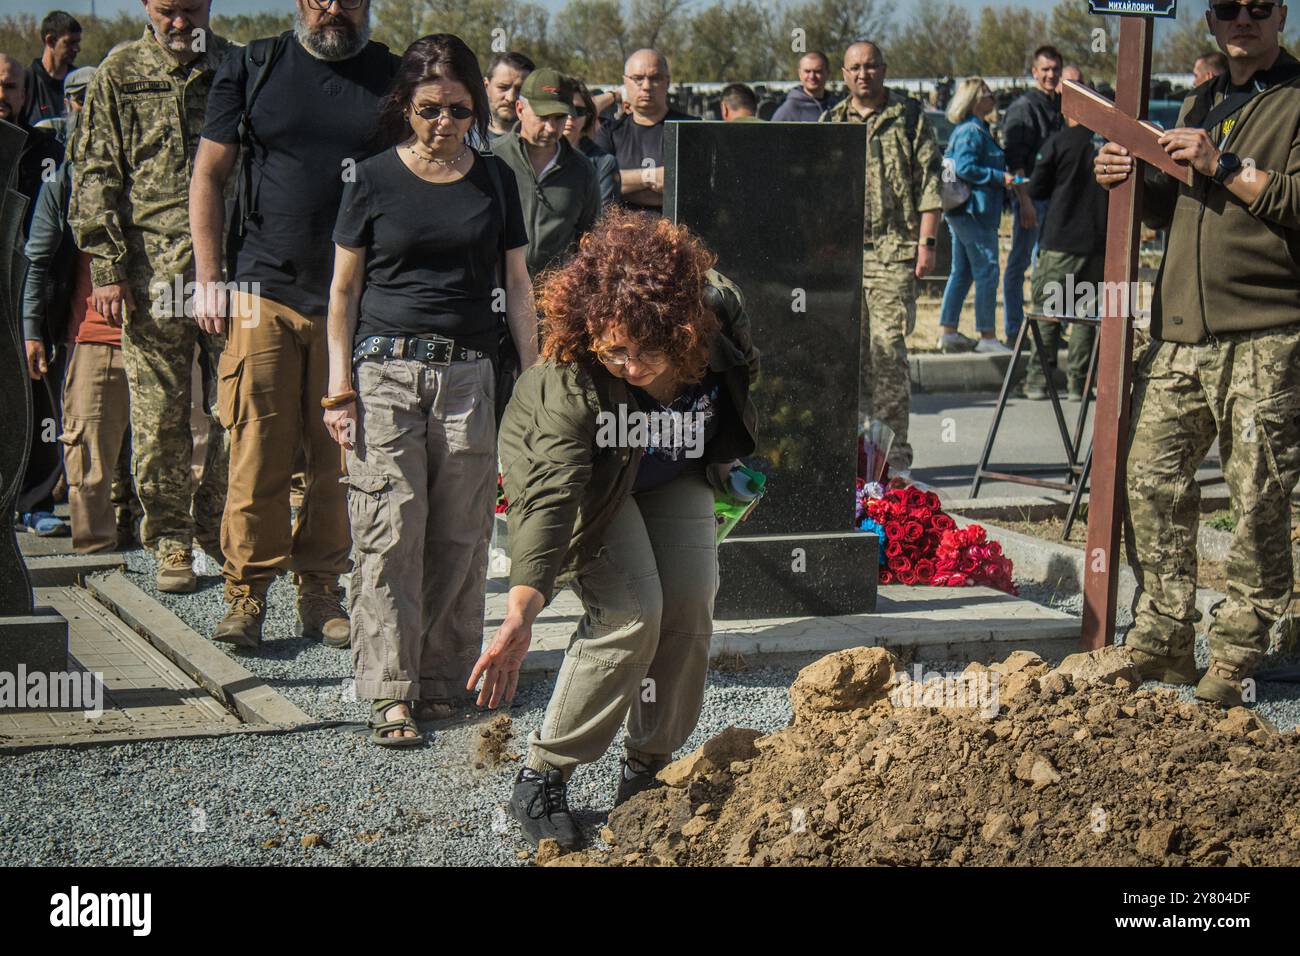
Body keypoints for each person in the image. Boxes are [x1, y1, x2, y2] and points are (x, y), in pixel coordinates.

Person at [470, 210, 759, 849]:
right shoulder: (570, 378)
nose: (628, 366)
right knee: (630, 614)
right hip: (589, 477)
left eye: (645, 351)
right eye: (614, 350)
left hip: (670, 470)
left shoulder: (719, 313)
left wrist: (726, 453)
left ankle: (647, 769)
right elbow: (548, 497)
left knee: (687, 607)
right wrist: (522, 607)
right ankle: (543, 774)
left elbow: (742, 374)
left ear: (684, 331)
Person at [324, 33, 539, 745]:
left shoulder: (496, 180)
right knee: (390, 531)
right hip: (384, 372)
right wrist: (337, 389)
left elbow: (517, 284)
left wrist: (534, 381)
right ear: (404, 107)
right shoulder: (372, 178)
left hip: (470, 375)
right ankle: (390, 690)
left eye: (457, 109)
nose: (443, 124)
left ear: (476, 106)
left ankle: (442, 679)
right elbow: (344, 290)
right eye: (427, 110)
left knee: (460, 533)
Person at [1095, 0, 1300, 708]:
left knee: (1257, 498)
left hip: (1267, 329)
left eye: (1259, 7)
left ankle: (1242, 651)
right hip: (1180, 329)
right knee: (1150, 480)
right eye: (1227, 9)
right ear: (1212, 22)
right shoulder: (1202, 99)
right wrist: (1129, 176)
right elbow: (1179, 204)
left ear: (1281, 17)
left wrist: (1228, 163)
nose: (1243, 18)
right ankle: (1164, 637)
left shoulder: (1297, 99)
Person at [190, 0, 399, 651]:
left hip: (353, 304)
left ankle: (321, 593)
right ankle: (246, 596)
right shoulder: (254, 66)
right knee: (258, 454)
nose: (333, 8)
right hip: (261, 292)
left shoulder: (392, 75)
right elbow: (209, 173)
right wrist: (206, 276)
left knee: (339, 458)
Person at [67, 0, 233, 593]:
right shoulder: (120, 71)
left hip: (227, 276)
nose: (181, 23)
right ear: (146, 6)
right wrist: (107, 267)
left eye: (191, 9)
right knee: (159, 412)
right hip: (150, 276)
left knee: (232, 410)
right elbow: (94, 172)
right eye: (168, 10)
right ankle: (169, 538)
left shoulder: (233, 68)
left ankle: (217, 526)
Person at [23, 67, 141, 554]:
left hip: (159, 334)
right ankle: (95, 552)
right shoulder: (65, 181)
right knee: (87, 450)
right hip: (91, 334)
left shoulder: (159, 172)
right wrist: (31, 330)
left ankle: (157, 548)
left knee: (164, 454)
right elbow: (37, 261)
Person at [820, 40, 942, 477]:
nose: (863, 75)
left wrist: (926, 245)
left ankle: (895, 459)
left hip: (894, 253)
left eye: (871, 67)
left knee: (887, 351)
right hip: (842, 256)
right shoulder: (831, 120)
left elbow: (930, 184)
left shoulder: (908, 118)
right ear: (844, 74)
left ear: (883, 70)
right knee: (849, 357)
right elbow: (815, 189)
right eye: (854, 68)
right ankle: (857, 458)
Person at [3, 51, 67, 537]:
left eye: (10, 87)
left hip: (32, 290)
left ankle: (35, 499)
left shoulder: (46, 149)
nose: (2, 96)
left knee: (37, 399)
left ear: (26, 93)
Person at [1024, 66, 1104, 401]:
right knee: (1086, 315)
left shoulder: (1058, 143)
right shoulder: (1107, 145)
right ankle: (1079, 383)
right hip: (1097, 243)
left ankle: (1039, 381)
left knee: (1048, 312)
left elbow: (1037, 189)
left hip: (1060, 242)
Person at [493, 68, 600, 279]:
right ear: (520, 109)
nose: (551, 128)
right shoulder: (492, 158)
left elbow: (590, 239)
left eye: (559, 118)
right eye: (542, 117)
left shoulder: (583, 169)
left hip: (554, 300)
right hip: (496, 292)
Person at [937, 78, 1012, 354]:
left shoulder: (972, 129)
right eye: (989, 94)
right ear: (976, 99)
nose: (993, 99)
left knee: (963, 271)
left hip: (964, 211)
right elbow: (966, 167)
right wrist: (999, 177)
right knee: (988, 268)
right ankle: (987, 336)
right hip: (974, 211)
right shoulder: (972, 132)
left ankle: (949, 331)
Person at [1002, 44, 1063, 344]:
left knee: (1049, 266)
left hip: (1056, 199)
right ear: (1034, 72)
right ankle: (1014, 330)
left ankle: (1047, 330)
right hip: (1031, 198)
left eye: (1055, 69)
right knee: (1020, 262)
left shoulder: (1060, 105)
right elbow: (1014, 160)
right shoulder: (1023, 107)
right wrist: (1024, 201)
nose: (1050, 75)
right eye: (1045, 69)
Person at [593, 48, 698, 210]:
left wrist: (623, 186)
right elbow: (596, 184)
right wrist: (649, 177)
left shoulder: (691, 128)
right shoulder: (609, 132)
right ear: (625, 82)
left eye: (655, 78)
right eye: (638, 79)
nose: (647, 86)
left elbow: (695, 187)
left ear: (668, 82)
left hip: (678, 231)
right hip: (620, 231)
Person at [562, 76, 619, 208]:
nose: (570, 116)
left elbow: (604, 218)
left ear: (588, 116)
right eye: (564, 108)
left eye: (578, 111)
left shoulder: (604, 162)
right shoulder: (536, 155)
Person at [23, 10, 81, 128]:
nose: (77, 49)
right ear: (50, 40)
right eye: (70, 42)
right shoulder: (25, 82)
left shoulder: (80, 83)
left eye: (78, 42)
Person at [33, 65, 94, 145]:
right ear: (67, 103)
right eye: (82, 100)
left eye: (95, 100)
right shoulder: (49, 131)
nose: (88, 108)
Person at [771, 51, 839, 121]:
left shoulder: (837, 107)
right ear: (800, 74)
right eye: (807, 71)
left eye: (818, 71)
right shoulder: (788, 111)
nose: (812, 76)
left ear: (828, 73)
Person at [484, 50, 533, 141]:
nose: (511, 98)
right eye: (503, 87)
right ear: (486, 86)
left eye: (520, 89)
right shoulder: (462, 137)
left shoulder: (542, 145)